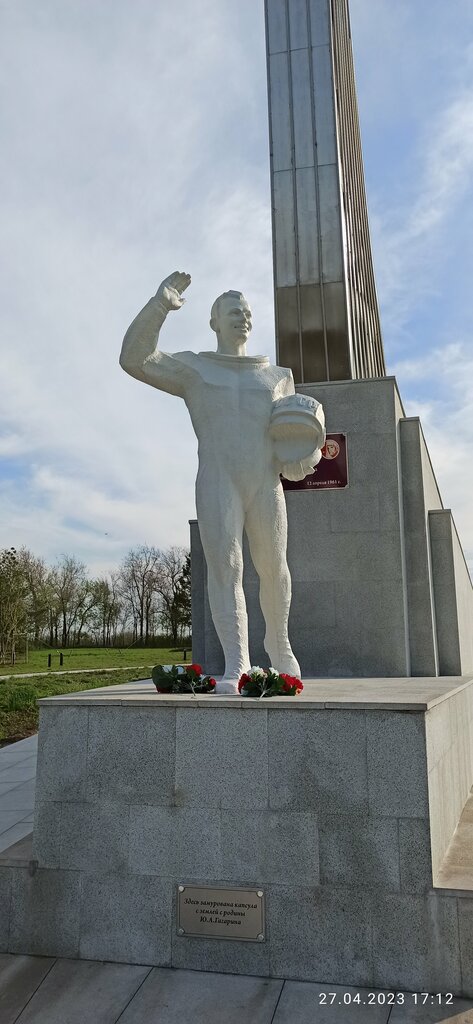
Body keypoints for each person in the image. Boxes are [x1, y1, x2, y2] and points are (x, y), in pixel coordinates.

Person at [120, 271, 323, 692]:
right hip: (218, 478)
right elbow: (134, 359)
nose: (243, 318)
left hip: (265, 482)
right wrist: (160, 306)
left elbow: (294, 442)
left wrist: (308, 455)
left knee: (273, 567)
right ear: (214, 321)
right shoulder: (195, 368)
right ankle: (238, 661)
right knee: (226, 568)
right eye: (233, 312)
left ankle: (279, 642)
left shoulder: (277, 376)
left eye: (247, 312)